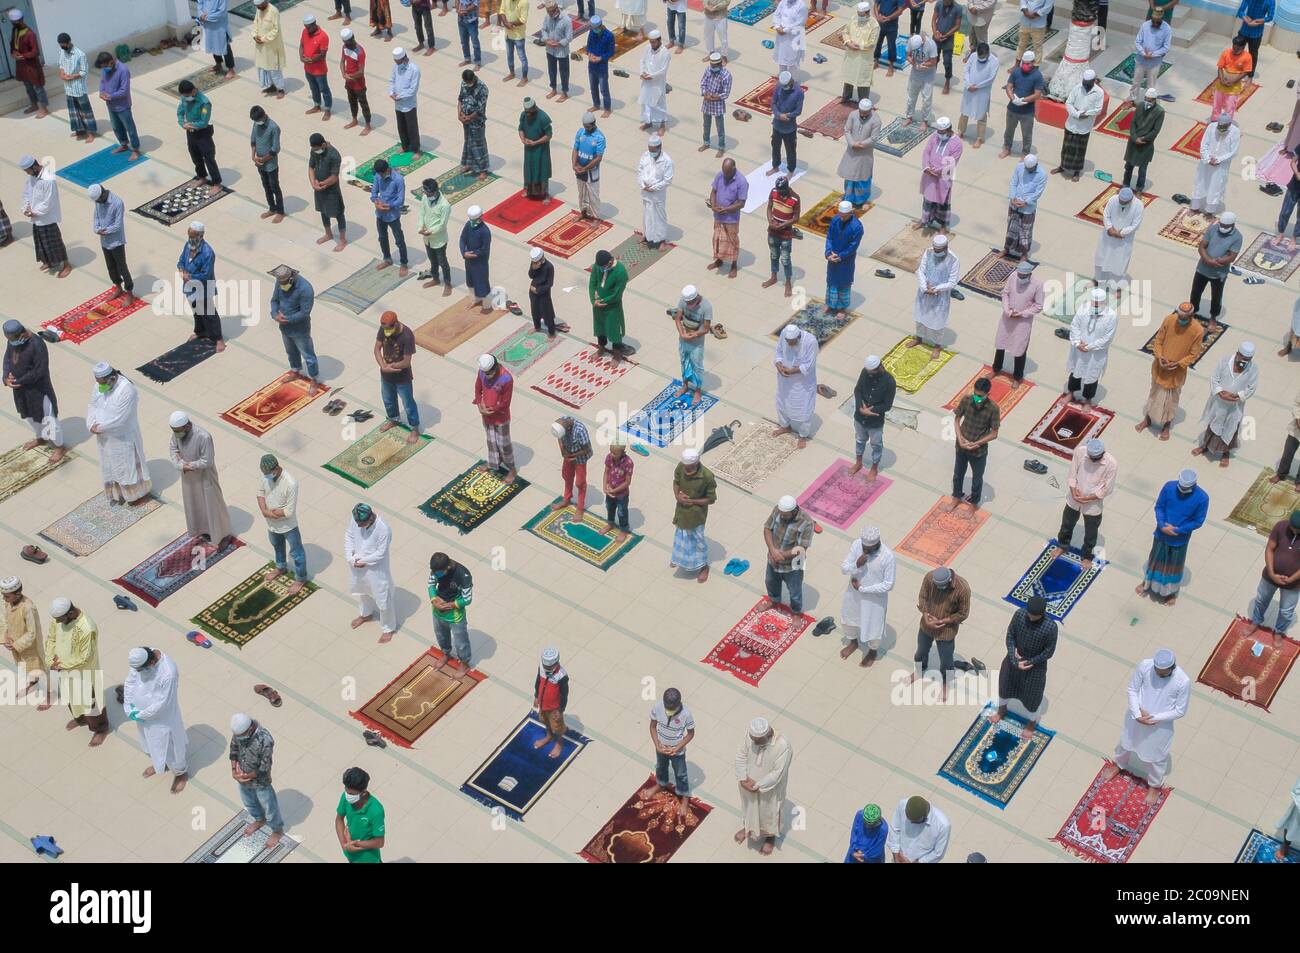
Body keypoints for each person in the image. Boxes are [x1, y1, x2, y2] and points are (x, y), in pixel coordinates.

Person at [1105, 650, 1188, 801]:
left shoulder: (1182, 681)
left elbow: (1180, 710)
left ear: (1172, 668)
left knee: (1157, 757)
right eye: (1157, 671)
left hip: (1159, 726)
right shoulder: (1145, 666)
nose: (1159, 675)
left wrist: (1155, 718)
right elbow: (1132, 689)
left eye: (1163, 673)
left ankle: (1154, 786)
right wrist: (1137, 713)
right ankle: (1118, 764)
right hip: (1136, 717)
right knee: (1125, 743)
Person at [1136, 469, 1208, 604]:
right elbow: (1159, 507)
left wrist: (1178, 530)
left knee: (1173, 566)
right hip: (1161, 534)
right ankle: (1146, 584)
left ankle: (1171, 593)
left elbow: (1198, 521)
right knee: (1155, 561)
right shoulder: (1169, 487)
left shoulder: (1202, 498)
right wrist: (1162, 524)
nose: (1181, 491)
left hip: (1179, 539)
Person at [124, 648, 189, 794]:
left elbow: (163, 704)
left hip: (162, 718)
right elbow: (130, 681)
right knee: (150, 742)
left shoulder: (168, 673)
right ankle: (160, 762)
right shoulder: (141, 657)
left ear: (151, 662)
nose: (138, 672)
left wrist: (143, 714)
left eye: (141, 670)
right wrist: (129, 706)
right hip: (142, 715)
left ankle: (180, 773)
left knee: (170, 746)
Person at [1136, 303, 1203, 439]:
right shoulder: (1169, 319)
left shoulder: (1198, 330)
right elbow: (1158, 340)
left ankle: (1166, 426)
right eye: (1180, 316)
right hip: (1160, 366)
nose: (1181, 320)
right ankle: (1148, 419)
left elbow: (1194, 354)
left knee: (1171, 400)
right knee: (1154, 394)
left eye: (1185, 318)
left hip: (1176, 371)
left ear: (1191, 316)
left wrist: (1178, 364)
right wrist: (1160, 357)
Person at [991, 597, 1056, 737]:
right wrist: (1013, 656)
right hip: (1013, 660)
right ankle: (1002, 710)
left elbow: (1048, 652)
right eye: (1029, 614)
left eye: (1034, 616)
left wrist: (1029, 662)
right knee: (1004, 686)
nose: (1031, 617)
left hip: (1035, 667)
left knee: (1032, 697)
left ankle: (1031, 723)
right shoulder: (1020, 614)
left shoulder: (1050, 627)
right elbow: (1010, 636)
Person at [45, 599, 107, 746]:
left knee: (91, 702)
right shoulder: (59, 620)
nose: (57, 623)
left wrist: (61, 666)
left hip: (84, 673)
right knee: (71, 697)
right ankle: (81, 719)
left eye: (60, 620)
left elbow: (85, 658)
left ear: (71, 613)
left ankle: (101, 729)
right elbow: (51, 639)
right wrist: (50, 660)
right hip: (64, 670)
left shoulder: (87, 628)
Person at [87, 363, 150, 504]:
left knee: (128, 467)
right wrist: (90, 424)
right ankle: (119, 494)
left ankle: (136, 496)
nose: (99, 386)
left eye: (101, 383)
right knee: (112, 466)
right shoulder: (99, 385)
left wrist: (100, 427)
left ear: (111, 378)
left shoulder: (127, 390)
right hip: (104, 436)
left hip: (123, 436)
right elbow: (92, 404)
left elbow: (121, 419)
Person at [4, 320, 65, 464]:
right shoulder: (12, 341)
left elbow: (39, 371)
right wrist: (5, 376)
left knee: (49, 418)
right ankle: (41, 437)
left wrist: (18, 381)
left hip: (39, 389)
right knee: (30, 416)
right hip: (21, 390)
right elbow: (7, 359)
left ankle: (59, 447)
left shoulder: (37, 345)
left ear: (22, 334)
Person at [169, 412, 232, 547]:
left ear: (186, 426)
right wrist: (180, 465)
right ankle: (204, 530)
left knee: (212, 505)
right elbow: (173, 449)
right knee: (195, 504)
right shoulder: (177, 433)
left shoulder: (204, 436)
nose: (176, 434)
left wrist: (189, 465)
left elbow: (207, 461)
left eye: (177, 431)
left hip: (205, 477)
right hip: (188, 477)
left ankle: (222, 536)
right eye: (174, 431)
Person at [907, 566, 969, 700]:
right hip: (926, 624)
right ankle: (919, 670)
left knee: (946, 659)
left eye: (942, 586)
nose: (938, 587)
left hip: (946, 630)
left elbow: (963, 613)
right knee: (921, 651)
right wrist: (925, 616)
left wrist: (944, 621)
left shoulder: (962, 589)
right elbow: (923, 597)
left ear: (949, 580)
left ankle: (946, 682)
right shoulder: (930, 578)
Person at [734, 717, 793, 856]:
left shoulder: (782, 745)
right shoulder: (751, 736)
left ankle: (770, 838)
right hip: (748, 783)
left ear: (767, 735)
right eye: (752, 738)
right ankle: (748, 828)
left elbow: (777, 773)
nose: (753, 742)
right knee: (749, 807)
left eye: (757, 740)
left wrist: (758, 785)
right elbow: (741, 755)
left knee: (769, 813)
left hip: (770, 789)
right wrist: (743, 778)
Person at [1054, 438, 1116, 568]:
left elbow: (1107, 489)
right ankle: (1062, 546)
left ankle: (1087, 556)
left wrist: (1088, 498)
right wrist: (1073, 491)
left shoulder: (1111, 464)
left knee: (1091, 532)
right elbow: (1072, 474)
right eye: (1091, 456)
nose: (1093, 459)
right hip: (1074, 498)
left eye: (1096, 457)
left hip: (1093, 504)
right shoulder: (1080, 452)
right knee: (1067, 523)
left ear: (1103, 453)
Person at [1194, 341, 1258, 468]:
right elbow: (1214, 378)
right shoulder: (1224, 362)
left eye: (1247, 359)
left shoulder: (1253, 369)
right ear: (1237, 354)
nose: (1244, 361)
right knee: (1213, 424)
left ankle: (1225, 453)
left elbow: (1251, 387)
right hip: (1219, 402)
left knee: (1231, 428)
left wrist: (1238, 396)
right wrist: (1220, 393)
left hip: (1235, 406)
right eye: (1242, 358)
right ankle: (1205, 446)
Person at [839, 525, 895, 666]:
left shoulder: (887, 556)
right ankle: (853, 643)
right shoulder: (857, 544)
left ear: (877, 544)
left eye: (868, 549)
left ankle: (872, 651)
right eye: (864, 547)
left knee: (873, 626)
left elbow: (889, 584)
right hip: (854, 595)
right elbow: (844, 568)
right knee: (850, 619)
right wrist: (856, 564)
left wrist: (864, 589)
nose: (865, 551)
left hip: (874, 600)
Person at [230, 713, 284, 848]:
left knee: (269, 807)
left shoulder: (265, 739)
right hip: (243, 777)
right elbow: (234, 749)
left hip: (260, 781)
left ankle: (277, 830)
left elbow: (265, 766)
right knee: (249, 802)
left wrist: (249, 776)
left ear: (249, 729)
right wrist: (234, 771)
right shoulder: (239, 733)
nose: (238, 738)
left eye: (241, 735)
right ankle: (259, 820)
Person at [344, 503, 396, 642]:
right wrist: (350, 557)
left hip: (376, 570)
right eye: (358, 523)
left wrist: (365, 561)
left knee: (383, 598)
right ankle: (365, 614)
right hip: (357, 565)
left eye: (362, 523)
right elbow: (349, 536)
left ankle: (388, 628)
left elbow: (380, 553)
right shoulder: (356, 520)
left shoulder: (383, 529)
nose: (359, 526)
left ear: (371, 517)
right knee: (362, 591)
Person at [258, 455, 308, 593]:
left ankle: (300, 578)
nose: (266, 476)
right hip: (272, 525)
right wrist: (264, 510)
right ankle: (280, 567)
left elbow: (288, 511)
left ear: (276, 468)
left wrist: (269, 513)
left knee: (297, 553)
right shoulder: (266, 475)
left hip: (288, 526)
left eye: (268, 473)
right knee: (277, 545)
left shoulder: (290, 483)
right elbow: (260, 493)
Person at [269, 265, 321, 393]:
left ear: (292, 277)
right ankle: (295, 370)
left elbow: (305, 312)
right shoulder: (280, 281)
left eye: (285, 282)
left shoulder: (305, 289)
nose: (282, 284)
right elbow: (274, 300)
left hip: (300, 329)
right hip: (284, 327)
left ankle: (314, 378)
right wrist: (275, 314)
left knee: (308, 355)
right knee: (290, 351)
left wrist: (287, 319)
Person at [1249, 510, 1300, 637]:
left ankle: (1278, 632)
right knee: (1261, 600)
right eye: (1293, 529)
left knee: (1286, 612)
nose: (1295, 532)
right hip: (1270, 577)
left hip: (1294, 584)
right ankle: (1256, 621)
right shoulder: (1281, 526)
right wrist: (1271, 573)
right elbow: (1270, 549)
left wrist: (1291, 579)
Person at [645, 688, 694, 813]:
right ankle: (661, 784)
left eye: (672, 709)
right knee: (661, 767)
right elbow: (652, 727)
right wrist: (657, 744)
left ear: (679, 704)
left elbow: (690, 734)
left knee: (681, 774)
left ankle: (684, 796)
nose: (669, 711)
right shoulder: (658, 707)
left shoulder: (686, 714)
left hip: (677, 751)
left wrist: (677, 748)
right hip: (660, 747)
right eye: (667, 708)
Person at [951, 376, 998, 508]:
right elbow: (957, 420)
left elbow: (994, 434)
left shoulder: (993, 409)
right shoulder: (966, 400)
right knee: (958, 473)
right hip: (961, 445)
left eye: (981, 396)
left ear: (988, 394)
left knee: (977, 479)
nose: (977, 399)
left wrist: (977, 443)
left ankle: (973, 504)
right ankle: (956, 496)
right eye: (976, 395)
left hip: (979, 451)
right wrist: (960, 438)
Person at [19, 156, 70, 279]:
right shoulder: (31, 177)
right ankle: (48, 261)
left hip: (47, 217)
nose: (27, 174)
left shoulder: (48, 179)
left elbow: (48, 202)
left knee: (55, 242)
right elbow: (27, 193)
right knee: (41, 242)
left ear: (35, 167)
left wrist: (35, 212)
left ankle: (66, 265)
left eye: (28, 171)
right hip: (36, 217)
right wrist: (25, 208)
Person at [177, 222, 225, 351]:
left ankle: (219, 338)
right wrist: (181, 269)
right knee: (196, 311)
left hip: (203, 287)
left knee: (210, 313)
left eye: (193, 236)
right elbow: (181, 260)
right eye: (189, 236)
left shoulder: (208, 253)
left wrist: (190, 277)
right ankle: (200, 331)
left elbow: (206, 274)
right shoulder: (188, 245)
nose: (191, 238)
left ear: (201, 235)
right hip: (190, 287)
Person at [1066, 286, 1117, 408]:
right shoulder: (1084, 308)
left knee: (1092, 374)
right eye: (1094, 304)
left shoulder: (1111, 315)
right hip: (1079, 348)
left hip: (1096, 353)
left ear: (1104, 303)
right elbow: (1075, 326)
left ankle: (1087, 400)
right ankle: (1070, 392)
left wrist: (1089, 347)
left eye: (1098, 304)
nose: (1095, 306)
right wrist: (1078, 343)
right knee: (1076, 370)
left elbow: (1107, 338)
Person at [1189, 211, 1241, 331]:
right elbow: (1202, 246)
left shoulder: (1237, 237)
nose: (1222, 227)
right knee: (1195, 292)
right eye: (1221, 224)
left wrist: (1218, 262)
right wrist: (1207, 260)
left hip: (1219, 273)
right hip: (1202, 268)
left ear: (1232, 225)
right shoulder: (1213, 229)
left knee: (1216, 296)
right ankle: (1192, 312)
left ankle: (1213, 318)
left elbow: (1232, 256)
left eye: (1225, 226)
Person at [1, 577, 48, 707]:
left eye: (7, 596)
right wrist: (6, 636)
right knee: (27, 668)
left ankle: (50, 695)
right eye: (3, 596)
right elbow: (5, 619)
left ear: (18, 594)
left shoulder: (28, 607)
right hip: (17, 645)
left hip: (31, 647)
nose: (4, 599)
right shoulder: (9, 603)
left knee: (42, 669)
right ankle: (33, 684)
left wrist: (15, 644)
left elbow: (32, 633)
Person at [672, 447, 717, 582]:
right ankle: (679, 559)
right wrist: (677, 496)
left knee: (697, 541)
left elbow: (711, 499)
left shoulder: (707, 476)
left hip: (697, 516)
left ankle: (703, 567)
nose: (687, 470)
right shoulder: (681, 466)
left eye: (690, 468)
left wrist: (692, 501)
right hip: (681, 512)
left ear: (697, 463)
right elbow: (676, 482)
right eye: (686, 467)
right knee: (681, 538)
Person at [764, 495, 814, 614]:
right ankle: (774, 601)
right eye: (781, 513)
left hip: (793, 565)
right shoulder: (778, 510)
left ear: (794, 510)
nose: (782, 516)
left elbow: (801, 548)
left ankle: (796, 612)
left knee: (795, 591)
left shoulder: (806, 522)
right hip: (773, 558)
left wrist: (781, 555)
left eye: (785, 515)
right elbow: (767, 528)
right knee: (770, 582)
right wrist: (772, 549)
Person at [471, 353, 517, 481]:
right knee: (491, 441)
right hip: (486, 415)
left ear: (496, 367)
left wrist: (492, 410)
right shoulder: (482, 372)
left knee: (504, 444)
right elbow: (478, 389)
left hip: (501, 417)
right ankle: (493, 463)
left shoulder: (506, 379)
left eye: (489, 374)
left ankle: (512, 469)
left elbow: (505, 403)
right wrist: (480, 404)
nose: (487, 376)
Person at [912, 234, 959, 358]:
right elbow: (921, 271)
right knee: (920, 315)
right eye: (935, 250)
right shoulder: (928, 252)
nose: (936, 252)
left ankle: (937, 346)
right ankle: (919, 338)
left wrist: (936, 289)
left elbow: (952, 282)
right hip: (924, 291)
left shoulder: (953, 259)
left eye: (939, 251)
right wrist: (924, 287)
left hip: (940, 295)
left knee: (939, 320)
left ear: (945, 248)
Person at [773, 323, 819, 449]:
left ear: (798, 337)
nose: (789, 344)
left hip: (803, 383)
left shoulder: (811, 341)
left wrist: (791, 371)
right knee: (782, 403)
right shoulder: (784, 335)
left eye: (791, 342)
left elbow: (809, 366)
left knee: (805, 410)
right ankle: (785, 426)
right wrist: (779, 365)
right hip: (785, 380)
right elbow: (778, 352)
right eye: (787, 341)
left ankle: (803, 435)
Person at [995, 260, 1041, 382]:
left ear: (1030, 274)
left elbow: (1038, 306)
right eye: (1019, 275)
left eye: (1023, 276)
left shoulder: (1037, 284)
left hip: (1023, 322)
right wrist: (1007, 310)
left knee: (1020, 347)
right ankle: (996, 369)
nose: (1020, 278)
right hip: (1008, 316)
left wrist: (1021, 314)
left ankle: (1017, 377)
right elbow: (1005, 293)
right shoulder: (1013, 276)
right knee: (1001, 343)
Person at [376, 310, 420, 440]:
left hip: (402, 377)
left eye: (388, 329)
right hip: (386, 375)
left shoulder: (407, 335)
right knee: (388, 399)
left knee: (408, 402)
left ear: (395, 324)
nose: (386, 332)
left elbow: (406, 362)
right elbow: (377, 349)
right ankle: (393, 419)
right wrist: (383, 366)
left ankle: (414, 428)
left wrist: (392, 367)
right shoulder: (384, 328)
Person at [1054, 70, 1104, 181]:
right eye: (1084, 81)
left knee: (1079, 150)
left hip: (1084, 127)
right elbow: (1069, 103)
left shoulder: (1099, 92)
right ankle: (1062, 166)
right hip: (1071, 123)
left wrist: (1085, 114)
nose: (1085, 83)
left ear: (1093, 81)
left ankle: (1076, 172)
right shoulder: (1077, 88)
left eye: (1088, 81)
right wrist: (1076, 114)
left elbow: (1098, 109)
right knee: (1066, 147)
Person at [850, 355, 895, 479]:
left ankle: (874, 468)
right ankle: (858, 463)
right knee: (859, 440)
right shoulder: (865, 372)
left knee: (876, 445)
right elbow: (857, 390)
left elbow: (887, 405)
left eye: (872, 372)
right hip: (860, 417)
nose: (870, 374)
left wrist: (871, 410)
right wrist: (860, 408)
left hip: (875, 421)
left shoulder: (889, 381)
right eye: (868, 372)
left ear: (880, 367)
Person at [176, 81, 223, 197]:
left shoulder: (204, 102)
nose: (185, 98)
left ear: (193, 91)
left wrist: (190, 125)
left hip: (203, 133)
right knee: (195, 155)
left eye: (187, 95)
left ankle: (217, 183)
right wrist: (183, 124)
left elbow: (204, 121)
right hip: (190, 132)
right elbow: (180, 112)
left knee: (209, 157)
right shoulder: (184, 98)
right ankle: (202, 176)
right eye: (184, 96)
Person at [428, 552, 474, 664]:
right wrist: (434, 600)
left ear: (447, 567)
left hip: (455, 615)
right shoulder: (437, 568)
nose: (435, 575)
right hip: (438, 610)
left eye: (438, 573)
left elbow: (467, 599)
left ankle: (464, 663)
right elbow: (431, 584)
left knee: (461, 642)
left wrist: (450, 605)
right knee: (441, 635)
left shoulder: (463, 575)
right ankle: (446, 653)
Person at [919, 116, 962, 232]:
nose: (939, 134)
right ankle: (924, 220)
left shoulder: (957, 143)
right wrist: (927, 167)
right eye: (938, 131)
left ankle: (943, 225)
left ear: (948, 130)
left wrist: (936, 171)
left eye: (941, 132)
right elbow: (926, 152)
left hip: (944, 176)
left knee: (943, 200)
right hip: (930, 172)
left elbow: (952, 162)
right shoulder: (935, 137)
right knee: (928, 198)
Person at [96, 52, 141, 160]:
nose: (104, 69)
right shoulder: (105, 68)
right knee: (116, 126)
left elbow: (124, 91)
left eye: (105, 67)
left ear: (111, 62)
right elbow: (103, 81)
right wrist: (102, 92)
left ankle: (135, 149)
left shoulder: (123, 70)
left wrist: (110, 96)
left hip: (123, 105)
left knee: (129, 128)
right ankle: (123, 144)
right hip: (111, 105)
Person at [1093, 186, 1143, 283]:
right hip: (1108, 235)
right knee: (1101, 256)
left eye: (1124, 202)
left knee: (1119, 261)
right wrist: (1110, 228)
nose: (1121, 203)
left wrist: (1121, 233)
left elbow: (1136, 225)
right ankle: (1098, 280)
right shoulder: (1113, 200)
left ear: (1130, 200)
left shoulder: (1138, 206)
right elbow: (1106, 215)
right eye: (1121, 200)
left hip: (1124, 239)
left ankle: (1117, 287)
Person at [708, 159, 748, 278]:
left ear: (734, 169)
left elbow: (741, 203)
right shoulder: (720, 175)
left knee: (732, 240)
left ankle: (734, 265)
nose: (725, 176)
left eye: (728, 173)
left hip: (731, 218)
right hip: (718, 216)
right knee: (718, 238)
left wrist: (727, 209)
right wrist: (713, 204)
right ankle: (719, 260)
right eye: (724, 172)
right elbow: (713, 191)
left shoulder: (742, 182)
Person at [1000, 51, 1044, 158]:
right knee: (1009, 131)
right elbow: (1009, 87)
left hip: (1027, 112)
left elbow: (1037, 94)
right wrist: (1013, 98)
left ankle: (1025, 153)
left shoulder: (1037, 76)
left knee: (1027, 134)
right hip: (1012, 109)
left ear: (1033, 63)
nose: (1025, 65)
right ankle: (1007, 148)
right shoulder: (1016, 72)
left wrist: (1023, 100)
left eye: (1028, 63)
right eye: (1023, 63)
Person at [1191, 116, 1239, 214]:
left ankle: (1209, 211)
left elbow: (1233, 151)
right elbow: (1204, 144)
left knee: (1216, 186)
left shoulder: (1235, 132)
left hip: (1221, 165)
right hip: (1206, 162)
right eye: (1219, 125)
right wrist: (1208, 159)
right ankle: (1194, 207)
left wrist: (1218, 160)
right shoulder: (1212, 127)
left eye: (1224, 126)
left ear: (1229, 124)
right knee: (1200, 183)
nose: (1221, 128)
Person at [825, 201, 865, 318]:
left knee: (844, 283)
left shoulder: (857, 227)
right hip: (832, 256)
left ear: (851, 213)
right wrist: (828, 253)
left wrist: (841, 256)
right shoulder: (835, 220)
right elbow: (829, 238)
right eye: (840, 215)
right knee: (831, 280)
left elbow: (853, 246)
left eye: (844, 216)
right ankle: (830, 303)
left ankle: (842, 308)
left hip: (846, 260)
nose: (841, 218)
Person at [336, 767, 385, 862]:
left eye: (351, 794)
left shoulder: (376, 810)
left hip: (368, 858)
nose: (347, 795)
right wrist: (344, 845)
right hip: (350, 853)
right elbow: (339, 819)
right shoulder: (345, 796)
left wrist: (355, 844)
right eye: (346, 790)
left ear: (363, 793)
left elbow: (379, 842)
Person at [672, 285, 711, 403]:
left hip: (697, 343)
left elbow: (706, 328)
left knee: (697, 366)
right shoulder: (683, 301)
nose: (688, 304)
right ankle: (685, 385)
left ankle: (698, 390)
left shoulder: (706, 306)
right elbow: (678, 318)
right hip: (684, 338)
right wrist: (682, 333)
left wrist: (693, 335)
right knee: (684, 361)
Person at [1003, 153, 1047, 260]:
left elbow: (1038, 192)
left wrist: (1026, 202)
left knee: (1025, 231)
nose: (1028, 170)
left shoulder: (1042, 174)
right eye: (1027, 168)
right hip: (1015, 203)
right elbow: (1013, 182)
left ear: (1036, 165)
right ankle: (1006, 248)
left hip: (1028, 208)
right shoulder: (1019, 167)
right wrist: (1012, 197)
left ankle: (1024, 254)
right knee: (1011, 226)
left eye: (1031, 169)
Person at [309, 133, 347, 251]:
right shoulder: (314, 151)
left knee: (338, 213)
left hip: (331, 189)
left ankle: (342, 239)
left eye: (317, 148)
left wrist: (322, 184)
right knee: (323, 210)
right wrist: (313, 183)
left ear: (323, 144)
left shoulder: (334, 155)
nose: (316, 151)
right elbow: (311, 167)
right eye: (314, 149)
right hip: (319, 188)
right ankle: (328, 233)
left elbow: (334, 177)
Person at [371, 159, 410, 276]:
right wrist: (376, 202)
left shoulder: (398, 179)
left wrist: (390, 206)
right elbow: (374, 193)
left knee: (399, 240)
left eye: (382, 174)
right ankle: (387, 258)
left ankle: (404, 263)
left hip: (393, 215)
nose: (380, 176)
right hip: (380, 214)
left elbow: (401, 200)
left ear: (387, 170)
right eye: (379, 174)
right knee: (382, 237)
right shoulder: (378, 176)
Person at [840, 99, 880, 209]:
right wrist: (852, 143)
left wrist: (861, 145)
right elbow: (847, 130)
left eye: (865, 112)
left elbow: (874, 138)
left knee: (863, 177)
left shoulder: (875, 120)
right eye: (861, 111)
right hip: (852, 150)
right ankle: (848, 196)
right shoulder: (853, 115)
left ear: (870, 110)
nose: (862, 114)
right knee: (850, 175)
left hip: (864, 153)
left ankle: (862, 200)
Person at [957, 42, 999, 148]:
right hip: (969, 89)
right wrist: (968, 84)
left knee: (981, 115)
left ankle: (979, 138)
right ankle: (960, 131)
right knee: (964, 111)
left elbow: (991, 78)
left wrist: (977, 86)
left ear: (988, 53)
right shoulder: (973, 56)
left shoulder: (994, 61)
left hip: (982, 92)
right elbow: (966, 70)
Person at [550, 416, 593, 518]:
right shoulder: (560, 423)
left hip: (580, 457)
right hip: (568, 453)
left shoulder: (580, 430)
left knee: (580, 483)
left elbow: (587, 449)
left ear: (568, 429)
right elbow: (559, 438)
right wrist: (563, 451)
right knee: (566, 475)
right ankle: (566, 499)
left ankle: (580, 508)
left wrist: (573, 456)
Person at [57, 33, 97, 140]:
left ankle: (91, 133)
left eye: (64, 44)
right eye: (60, 45)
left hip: (78, 87)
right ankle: (79, 130)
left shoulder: (80, 54)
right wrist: (62, 74)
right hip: (68, 87)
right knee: (73, 109)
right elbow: (61, 65)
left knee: (85, 110)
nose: (62, 47)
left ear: (69, 42)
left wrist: (73, 76)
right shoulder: (62, 52)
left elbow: (84, 71)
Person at [1123, 88, 1164, 192]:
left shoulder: (1159, 111)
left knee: (1142, 170)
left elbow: (1155, 131)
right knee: (1128, 166)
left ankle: (1139, 189)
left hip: (1146, 144)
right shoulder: (1140, 105)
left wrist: (1143, 138)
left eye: (1149, 100)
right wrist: (1134, 137)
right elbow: (1133, 123)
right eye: (1146, 99)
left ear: (1154, 100)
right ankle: (1125, 185)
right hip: (1133, 141)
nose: (1147, 102)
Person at [590, 249, 630, 355]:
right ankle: (601, 348)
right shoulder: (597, 266)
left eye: (602, 267)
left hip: (612, 307)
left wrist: (603, 301)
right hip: (597, 305)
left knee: (614, 330)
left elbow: (617, 294)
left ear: (610, 262)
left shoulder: (620, 272)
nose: (600, 269)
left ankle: (617, 354)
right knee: (600, 328)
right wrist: (593, 300)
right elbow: (592, 283)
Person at [9, 10, 47, 118]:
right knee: (28, 87)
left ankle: (44, 108)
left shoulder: (30, 34)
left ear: (20, 20)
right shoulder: (15, 30)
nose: (14, 24)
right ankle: (34, 105)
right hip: (21, 65)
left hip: (31, 65)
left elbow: (35, 52)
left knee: (37, 87)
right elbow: (12, 43)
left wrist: (23, 56)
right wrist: (13, 52)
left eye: (15, 22)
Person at [888, 795, 950, 862]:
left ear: (925, 815)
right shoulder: (902, 805)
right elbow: (895, 829)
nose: (911, 822)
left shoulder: (943, 825)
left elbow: (938, 853)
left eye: (915, 821)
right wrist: (896, 856)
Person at [249, 106, 284, 223]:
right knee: (266, 186)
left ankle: (280, 211)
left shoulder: (274, 128)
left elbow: (275, 149)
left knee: (274, 186)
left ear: (264, 115)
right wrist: (253, 156)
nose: (257, 122)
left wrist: (263, 159)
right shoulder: (256, 123)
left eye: (258, 120)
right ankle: (272, 208)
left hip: (270, 164)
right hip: (260, 162)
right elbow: (253, 140)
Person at [533, 646, 570, 758]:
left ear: (556, 664)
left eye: (549, 666)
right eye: (545, 665)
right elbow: (538, 681)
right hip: (543, 703)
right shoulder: (541, 667)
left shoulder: (561, 676)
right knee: (544, 720)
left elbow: (564, 694)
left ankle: (559, 744)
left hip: (555, 708)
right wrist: (536, 696)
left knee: (557, 727)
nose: (546, 668)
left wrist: (560, 710)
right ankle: (548, 736)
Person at [1129, 8, 1171, 104]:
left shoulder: (1167, 29)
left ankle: (1148, 102)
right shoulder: (1145, 25)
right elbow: (1138, 42)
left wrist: (1153, 54)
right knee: (1136, 82)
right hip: (1141, 59)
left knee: (1151, 84)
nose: (1155, 22)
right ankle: (1132, 99)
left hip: (1154, 62)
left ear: (1161, 18)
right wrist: (1144, 53)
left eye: (1157, 20)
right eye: (1154, 19)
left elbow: (1166, 47)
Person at [417, 178, 453, 292]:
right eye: (426, 193)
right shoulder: (424, 198)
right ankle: (436, 278)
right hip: (427, 239)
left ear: (435, 191)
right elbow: (422, 213)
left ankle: (448, 283)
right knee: (432, 260)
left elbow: (442, 225)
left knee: (442, 262)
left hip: (439, 240)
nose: (427, 195)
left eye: (429, 193)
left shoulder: (445, 206)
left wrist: (430, 231)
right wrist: (421, 226)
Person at [638, 136, 674, 247]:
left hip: (658, 194)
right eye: (650, 150)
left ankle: (661, 240)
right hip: (646, 192)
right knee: (647, 215)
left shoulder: (667, 161)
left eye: (653, 150)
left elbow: (668, 180)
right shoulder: (645, 155)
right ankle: (647, 236)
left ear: (659, 147)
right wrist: (643, 184)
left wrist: (654, 188)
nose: (651, 152)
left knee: (659, 217)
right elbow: (639, 171)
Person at [770, 71, 805, 175]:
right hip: (777, 124)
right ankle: (775, 166)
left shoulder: (799, 92)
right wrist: (778, 115)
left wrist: (788, 116)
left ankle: (791, 170)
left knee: (790, 149)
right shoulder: (779, 86)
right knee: (775, 146)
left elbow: (798, 111)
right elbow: (773, 102)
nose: (783, 87)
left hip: (789, 127)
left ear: (791, 82)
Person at [841, 4, 878, 103]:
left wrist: (858, 46)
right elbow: (845, 32)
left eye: (861, 14)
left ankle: (863, 101)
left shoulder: (874, 25)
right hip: (851, 55)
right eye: (858, 14)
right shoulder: (854, 18)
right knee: (849, 77)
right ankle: (846, 97)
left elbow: (872, 43)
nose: (859, 16)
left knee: (863, 80)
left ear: (867, 13)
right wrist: (848, 42)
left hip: (864, 58)